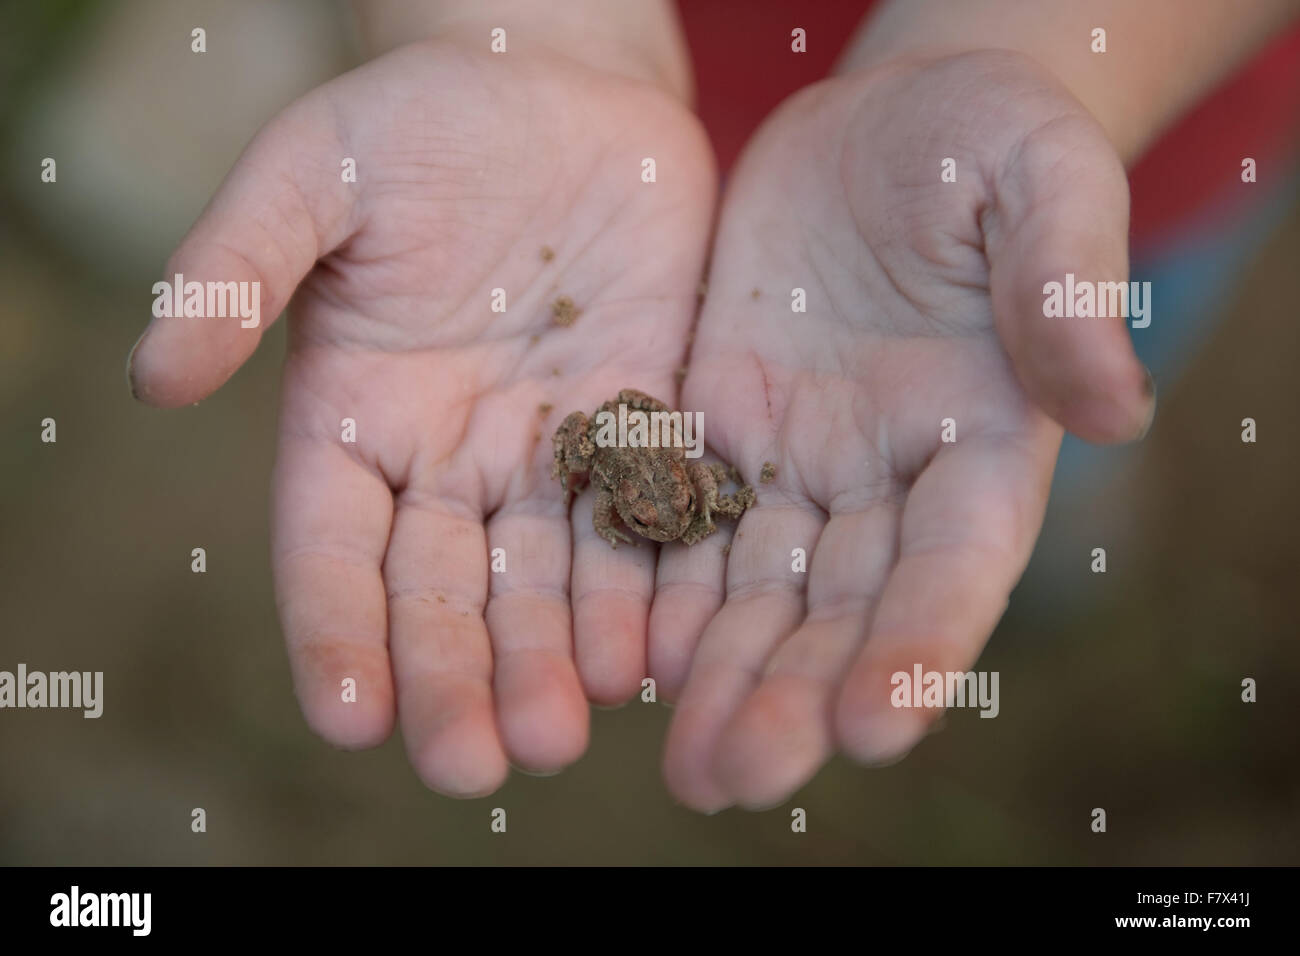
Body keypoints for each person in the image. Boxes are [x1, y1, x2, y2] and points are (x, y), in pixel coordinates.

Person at [127, 0, 1300, 811]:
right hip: (623, 133)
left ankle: (1069, 503)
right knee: (967, 424)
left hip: (1087, 151)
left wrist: (1050, 53)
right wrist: (520, 32)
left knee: (1054, 361)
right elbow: (614, 477)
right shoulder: (613, 455)